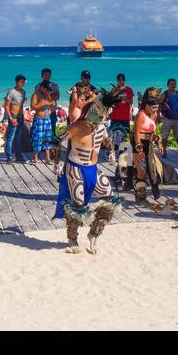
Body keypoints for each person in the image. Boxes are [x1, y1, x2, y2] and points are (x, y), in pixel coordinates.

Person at [53, 86, 121, 254]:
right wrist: (57, 163)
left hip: (92, 168)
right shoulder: (76, 127)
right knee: (78, 203)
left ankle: (94, 233)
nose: (102, 117)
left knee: (110, 199)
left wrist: (111, 152)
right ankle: (72, 238)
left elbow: (107, 141)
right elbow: (57, 142)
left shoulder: (102, 128)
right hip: (75, 167)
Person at [131, 89, 165, 205]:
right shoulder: (141, 115)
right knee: (141, 169)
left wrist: (158, 141)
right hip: (139, 142)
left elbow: (153, 131)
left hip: (149, 143)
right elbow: (136, 132)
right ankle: (140, 196)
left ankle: (156, 192)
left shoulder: (154, 114)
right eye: (152, 108)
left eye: (156, 108)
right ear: (146, 106)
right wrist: (138, 146)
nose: (154, 110)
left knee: (151, 167)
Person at [31, 72, 58, 164]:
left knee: (48, 139)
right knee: (38, 139)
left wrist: (49, 110)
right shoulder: (36, 95)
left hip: (47, 119)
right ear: (42, 88)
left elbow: (50, 107)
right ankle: (35, 158)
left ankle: (47, 158)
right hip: (39, 119)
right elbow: (33, 107)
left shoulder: (48, 95)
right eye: (47, 90)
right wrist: (42, 104)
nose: (48, 91)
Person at [158, 78, 178, 156]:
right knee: (165, 136)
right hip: (167, 118)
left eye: (174, 84)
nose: (173, 85)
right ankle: (164, 151)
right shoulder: (165, 94)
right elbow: (159, 104)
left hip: (177, 118)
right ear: (167, 85)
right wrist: (158, 115)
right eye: (171, 84)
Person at [4, 75, 27, 163]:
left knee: (17, 138)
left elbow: (21, 104)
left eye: (23, 82)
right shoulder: (11, 92)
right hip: (13, 116)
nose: (22, 83)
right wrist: (10, 117)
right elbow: (6, 106)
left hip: (20, 117)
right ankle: (9, 156)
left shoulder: (23, 92)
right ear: (16, 82)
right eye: (20, 82)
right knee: (10, 138)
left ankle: (18, 156)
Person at [108, 73, 135, 146]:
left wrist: (126, 99)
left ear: (124, 80)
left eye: (122, 80)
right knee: (112, 135)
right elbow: (109, 101)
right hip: (115, 116)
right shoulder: (114, 89)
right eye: (119, 80)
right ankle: (112, 151)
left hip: (125, 117)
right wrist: (115, 99)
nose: (121, 81)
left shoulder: (129, 90)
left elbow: (131, 102)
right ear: (117, 80)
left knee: (125, 135)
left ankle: (124, 150)